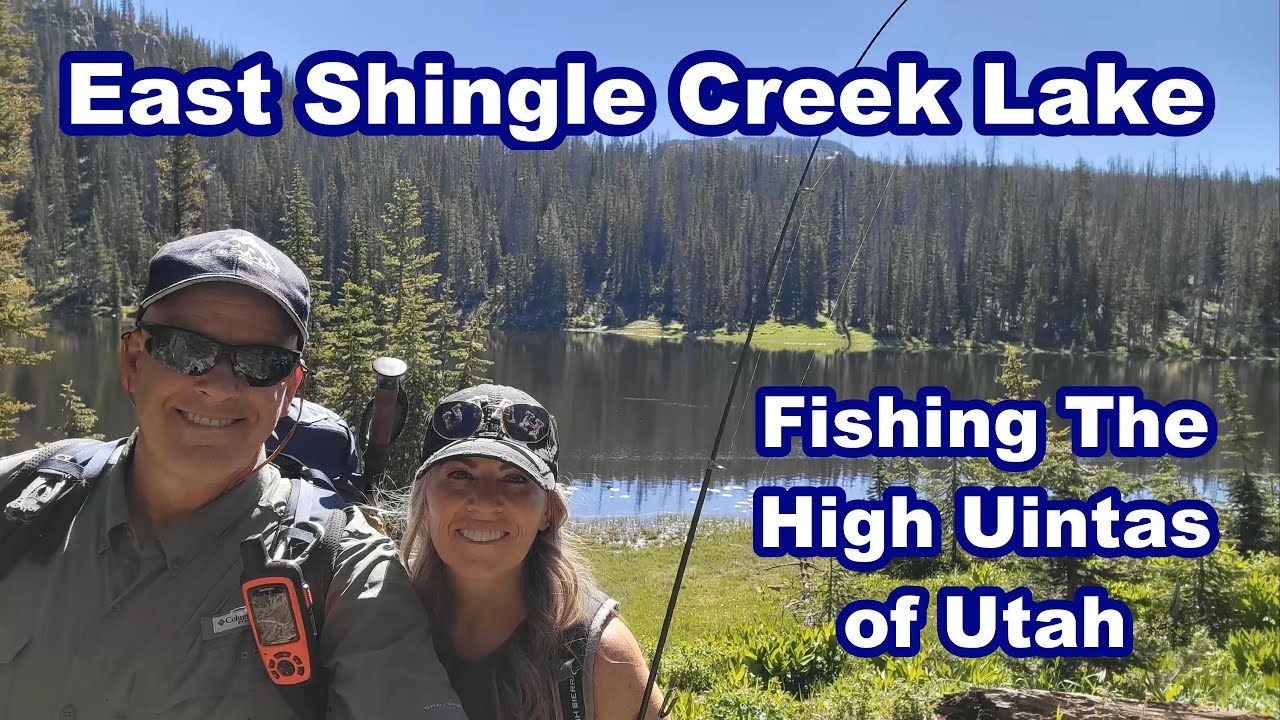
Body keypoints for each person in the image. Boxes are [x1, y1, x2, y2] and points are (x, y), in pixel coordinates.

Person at [0, 229, 465, 719]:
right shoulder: (22, 499)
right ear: (134, 360)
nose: (220, 387)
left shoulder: (340, 566)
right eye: (185, 349)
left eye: (261, 362)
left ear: (289, 390)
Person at [399, 383, 665, 720]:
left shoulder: (601, 656)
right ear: (424, 500)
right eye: (460, 474)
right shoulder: (376, 621)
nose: (484, 501)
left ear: (548, 513)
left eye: (514, 479)